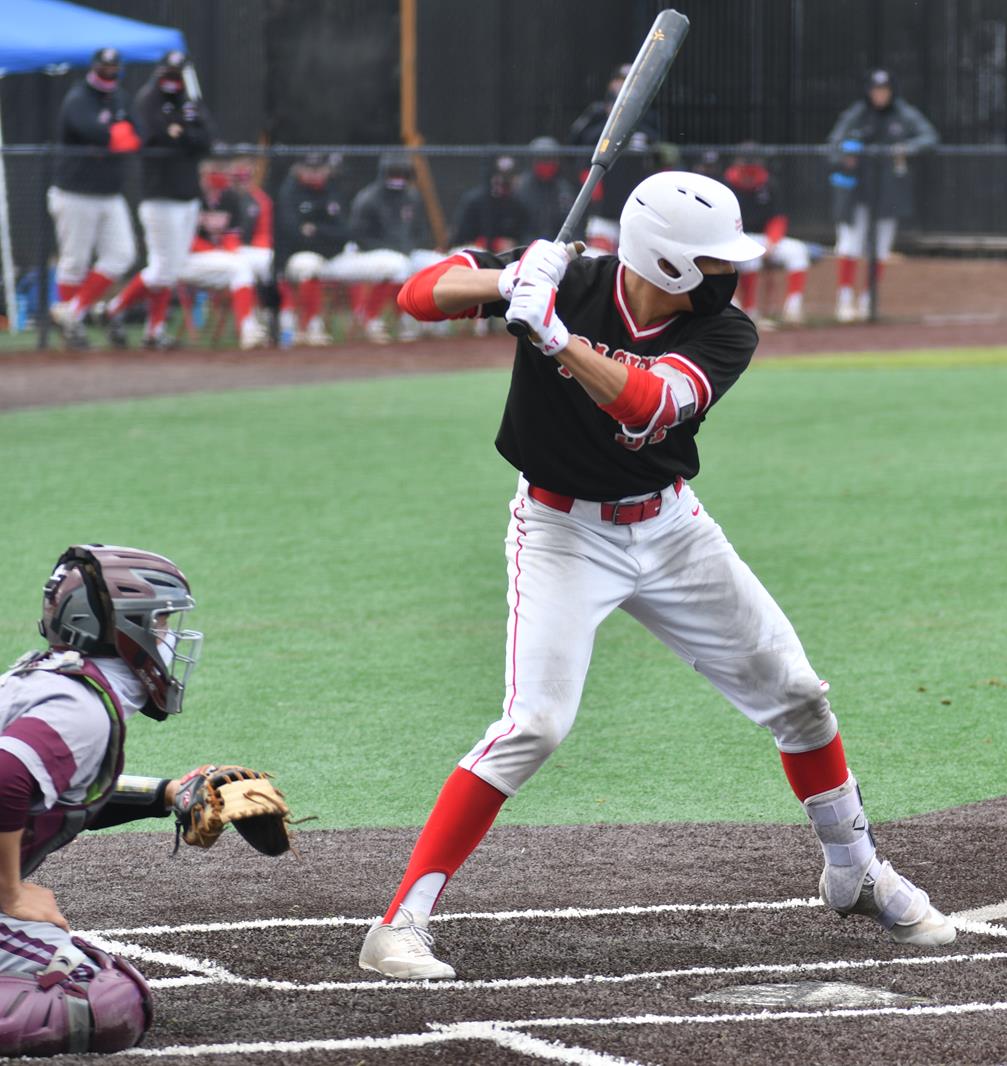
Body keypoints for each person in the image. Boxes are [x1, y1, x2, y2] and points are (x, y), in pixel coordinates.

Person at [359, 170, 956, 980]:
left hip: (671, 528)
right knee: (533, 725)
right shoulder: (570, 280)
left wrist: (554, 338)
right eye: (710, 261)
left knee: (800, 696)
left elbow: (648, 404)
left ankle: (853, 871)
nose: (727, 274)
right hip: (561, 531)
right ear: (666, 261)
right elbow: (417, 295)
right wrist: (510, 282)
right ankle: (399, 925)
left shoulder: (728, 334)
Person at [0, 545, 282, 1055]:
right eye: (161, 623)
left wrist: (167, 794)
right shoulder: (80, 707)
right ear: (123, 629)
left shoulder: (46, 682)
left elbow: (50, 796)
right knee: (100, 999)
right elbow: (4, 781)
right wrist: (10, 891)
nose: (169, 638)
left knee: (80, 967)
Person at [105, 51, 212, 350]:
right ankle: (113, 309)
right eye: (168, 74)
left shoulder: (190, 99)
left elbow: (206, 139)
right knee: (163, 268)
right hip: (160, 197)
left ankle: (153, 331)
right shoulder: (148, 99)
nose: (172, 81)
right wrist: (180, 132)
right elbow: (156, 135)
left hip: (188, 197)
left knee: (172, 269)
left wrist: (184, 131)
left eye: (176, 75)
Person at [825, 69, 938, 322]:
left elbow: (930, 138)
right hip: (855, 191)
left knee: (881, 248)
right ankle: (844, 300)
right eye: (875, 90)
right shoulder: (856, 114)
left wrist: (907, 148)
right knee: (849, 245)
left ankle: (868, 301)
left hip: (887, 192)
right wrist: (845, 155)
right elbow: (833, 144)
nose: (879, 95)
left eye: (884, 90)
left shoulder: (903, 113)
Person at [48, 48, 142, 349]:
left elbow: (136, 136)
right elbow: (110, 137)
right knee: (74, 261)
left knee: (123, 255)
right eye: (105, 66)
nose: (110, 71)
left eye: (114, 66)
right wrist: (117, 134)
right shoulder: (78, 98)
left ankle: (72, 313)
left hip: (109, 193)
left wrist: (118, 135)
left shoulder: (120, 97)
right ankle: (71, 330)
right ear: (94, 67)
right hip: (75, 192)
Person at [347, 155, 444, 342]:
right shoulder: (369, 198)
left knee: (440, 264)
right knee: (395, 265)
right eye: (393, 174)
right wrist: (392, 248)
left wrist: (409, 247)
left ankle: (435, 319)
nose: (398, 178)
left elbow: (420, 231)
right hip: (372, 253)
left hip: (406, 252)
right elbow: (360, 237)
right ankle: (389, 318)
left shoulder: (412, 196)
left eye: (401, 174)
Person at [567, 64, 660, 254]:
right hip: (603, 211)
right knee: (596, 259)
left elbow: (660, 153)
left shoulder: (647, 122)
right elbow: (574, 145)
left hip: (637, 212)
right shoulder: (597, 121)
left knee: (634, 263)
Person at [178, 160, 269, 349]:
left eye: (219, 170)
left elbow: (233, 235)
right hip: (190, 258)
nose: (215, 175)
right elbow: (187, 241)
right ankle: (247, 328)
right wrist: (221, 253)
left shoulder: (230, 198)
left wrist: (228, 251)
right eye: (211, 171)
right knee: (240, 267)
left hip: (220, 256)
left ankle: (277, 324)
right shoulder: (190, 199)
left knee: (267, 259)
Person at [722, 144, 811, 327]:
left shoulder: (769, 184)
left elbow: (777, 218)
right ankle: (750, 311)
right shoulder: (726, 186)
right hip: (737, 239)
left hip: (764, 238)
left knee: (797, 251)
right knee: (751, 258)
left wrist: (772, 241)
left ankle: (792, 310)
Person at [275, 154, 349, 347]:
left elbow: (346, 232)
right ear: (299, 169)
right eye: (310, 169)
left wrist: (316, 230)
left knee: (391, 265)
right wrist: (326, 235)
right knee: (308, 265)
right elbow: (293, 235)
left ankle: (375, 322)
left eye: (319, 169)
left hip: (335, 254)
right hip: (299, 255)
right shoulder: (289, 192)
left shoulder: (333, 189)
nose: (315, 173)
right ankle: (311, 323)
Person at [451, 155, 534, 253]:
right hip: (477, 255)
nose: (503, 185)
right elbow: (460, 239)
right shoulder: (475, 202)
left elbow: (527, 235)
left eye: (508, 180)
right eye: (500, 180)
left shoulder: (519, 204)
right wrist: (493, 244)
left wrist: (515, 245)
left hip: (509, 259)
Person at [515, 136, 575, 242]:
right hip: (527, 243)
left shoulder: (563, 188)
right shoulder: (522, 187)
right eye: (542, 159)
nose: (547, 164)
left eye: (550, 159)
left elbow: (570, 221)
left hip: (557, 243)